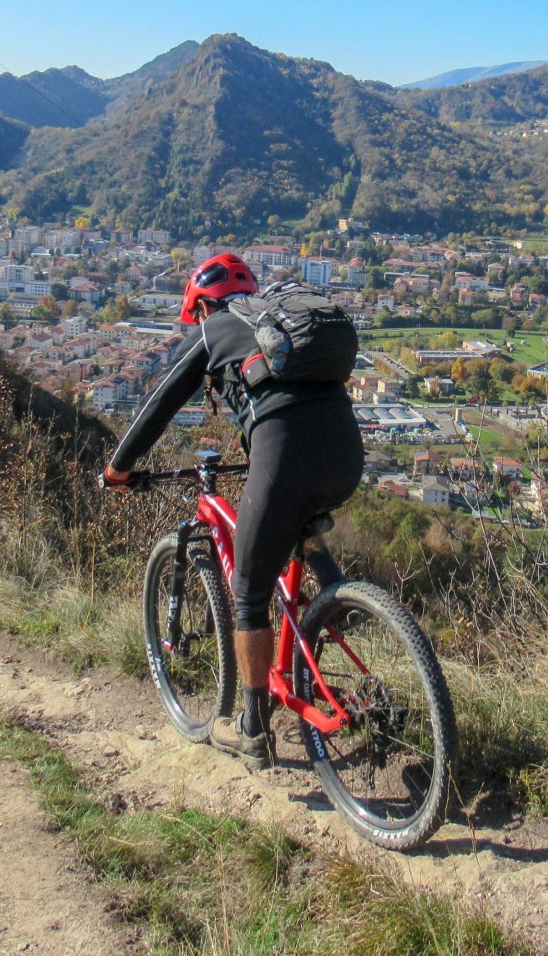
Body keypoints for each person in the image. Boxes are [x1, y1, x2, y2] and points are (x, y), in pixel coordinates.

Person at [102, 253, 363, 770]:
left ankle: (251, 730)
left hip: (284, 452)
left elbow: (158, 405)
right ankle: (344, 605)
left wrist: (119, 468)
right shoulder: (279, 320)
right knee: (297, 521)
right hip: (346, 453)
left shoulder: (213, 330)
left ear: (200, 306)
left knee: (249, 595)